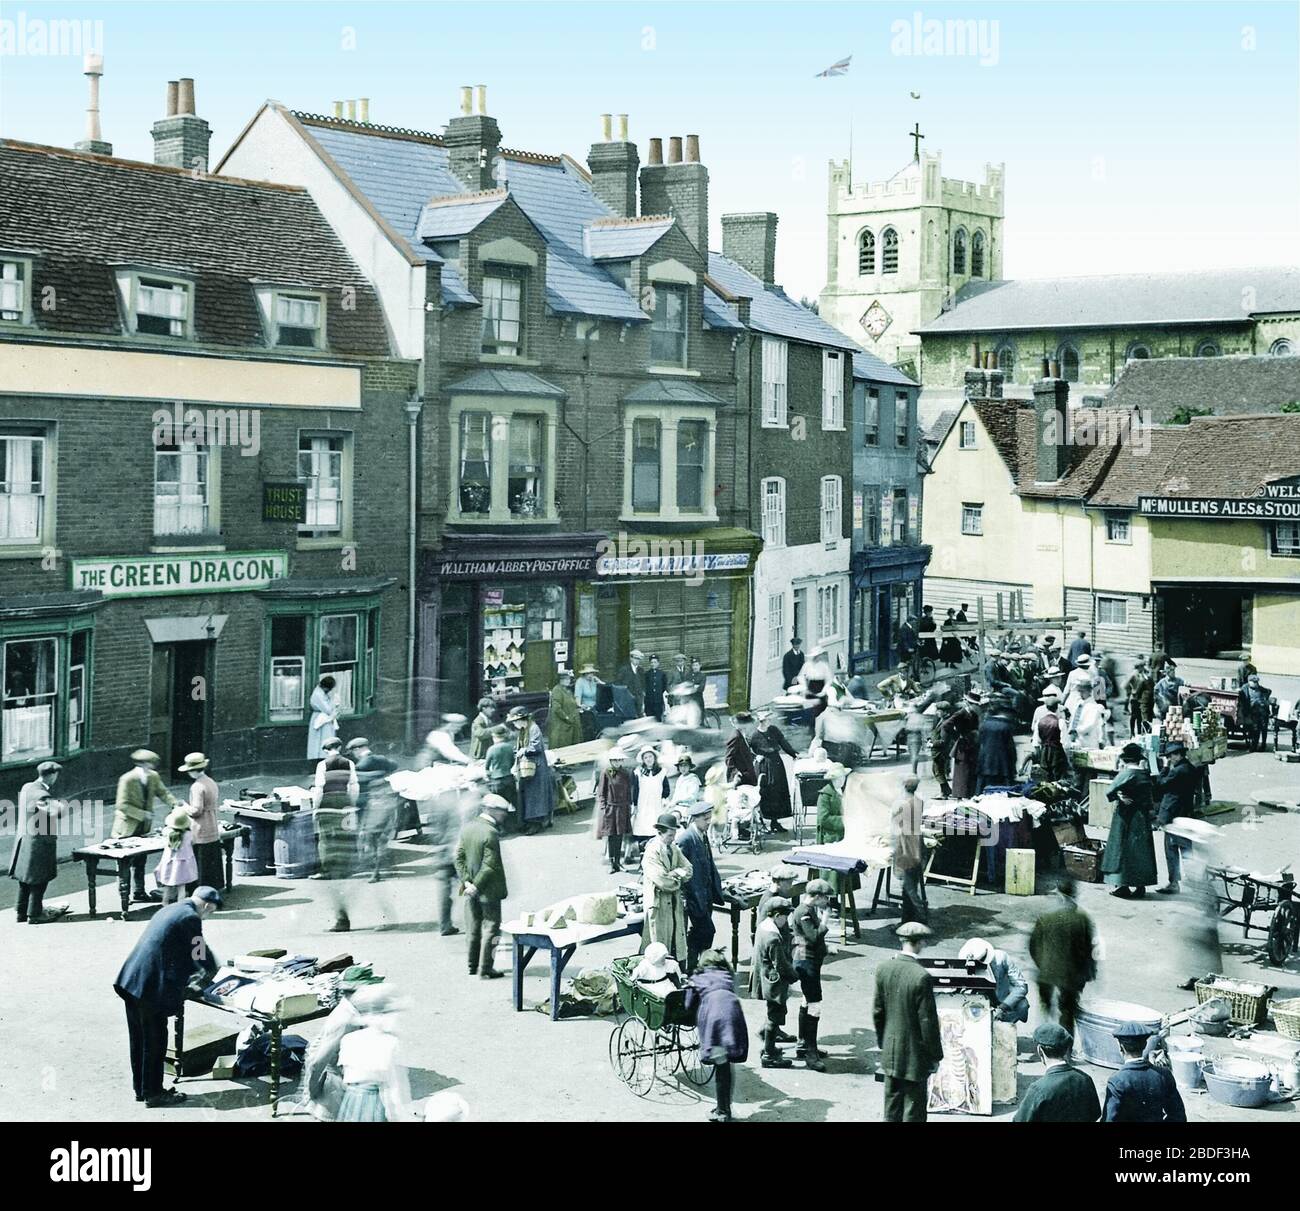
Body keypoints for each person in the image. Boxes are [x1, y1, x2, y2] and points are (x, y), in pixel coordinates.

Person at [113, 886, 222, 1107]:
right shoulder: (191, 917)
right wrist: (212, 973)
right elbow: (199, 952)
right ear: (208, 906)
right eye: (211, 912)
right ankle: (154, 1094)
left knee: (139, 1039)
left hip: (131, 980)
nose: (208, 915)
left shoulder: (172, 909)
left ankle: (142, 1089)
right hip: (150, 987)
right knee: (155, 1041)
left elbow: (174, 947)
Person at [873, 921, 944, 1122]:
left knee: (891, 1108)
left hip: (890, 1052)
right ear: (920, 942)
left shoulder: (883, 968)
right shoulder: (921, 976)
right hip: (914, 1057)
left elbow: (878, 1012)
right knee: (913, 1111)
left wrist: (884, 1043)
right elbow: (927, 1022)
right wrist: (935, 1055)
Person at [335, 986, 418, 1122]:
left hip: (352, 1100)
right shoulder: (390, 1043)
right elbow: (396, 1086)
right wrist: (402, 1115)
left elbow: (345, 1074)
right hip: (376, 1101)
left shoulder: (349, 1040)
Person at [684, 950, 748, 1122]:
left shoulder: (698, 977)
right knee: (726, 1065)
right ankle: (725, 1106)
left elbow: (688, 1005)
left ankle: (722, 1112)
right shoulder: (727, 975)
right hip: (733, 1017)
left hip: (716, 1022)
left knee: (721, 1067)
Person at [454, 793, 513, 979]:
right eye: (502, 812)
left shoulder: (468, 828)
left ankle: (472, 965)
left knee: (473, 926)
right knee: (492, 928)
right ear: (491, 810)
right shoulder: (491, 833)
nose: (504, 815)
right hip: (488, 890)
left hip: (470, 888)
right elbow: (490, 865)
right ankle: (486, 967)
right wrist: (477, 886)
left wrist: (466, 882)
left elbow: (459, 857)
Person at [112, 749, 181, 909]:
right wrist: (142, 814)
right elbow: (121, 804)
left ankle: (139, 892)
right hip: (126, 827)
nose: (152, 767)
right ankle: (125, 894)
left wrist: (176, 805)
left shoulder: (153, 777)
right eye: (149, 763)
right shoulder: (127, 779)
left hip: (143, 827)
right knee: (125, 863)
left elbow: (164, 793)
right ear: (141, 763)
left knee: (141, 860)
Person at [1028, 876, 1097, 1037]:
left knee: (1045, 1007)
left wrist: (1042, 964)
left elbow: (1033, 945)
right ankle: (1066, 1048)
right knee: (1067, 1012)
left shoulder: (1046, 918)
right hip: (1071, 975)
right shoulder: (1082, 919)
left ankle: (1045, 1040)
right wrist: (1087, 973)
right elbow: (1088, 949)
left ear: (1059, 895)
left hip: (1046, 972)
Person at [9, 760, 70, 924]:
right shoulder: (41, 795)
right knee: (39, 880)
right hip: (39, 843)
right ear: (52, 775)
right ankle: (35, 915)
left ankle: (21, 912)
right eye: (56, 775)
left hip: (24, 840)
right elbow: (57, 812)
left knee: (25, 879)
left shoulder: (27, 787)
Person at [1102, 742, 1158, 899]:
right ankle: (1141, 886)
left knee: (1123, 850)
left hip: (1126, 817)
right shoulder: (1144, 774)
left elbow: (1109, 791)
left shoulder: (1127, 773)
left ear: (1125, 760)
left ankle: (1123, 885)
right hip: (1142, 817)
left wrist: (1118, 795)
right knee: (1141, 852)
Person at [1013, 1023, 1102, 1122]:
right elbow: (1096, 1113)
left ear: (1040, 1051)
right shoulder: (1085, 1079)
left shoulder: (1038, 1089)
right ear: (1066, 1050)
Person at [1103, 1023, 1187, 1122]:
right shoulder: (1164, 1075)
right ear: (1145, 1045)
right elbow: (1178, 1116)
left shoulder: (1117, 1080)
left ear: (1121, 1047)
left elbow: (1109, 1119)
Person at [676, 801, 725, 973]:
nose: (709, 821)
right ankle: (694, 965)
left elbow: (709, 864)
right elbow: (679, 869)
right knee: (707, 930)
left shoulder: (703, 835)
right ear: (694, 819)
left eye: (709, 818)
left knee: (698, 932)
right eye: (705, 819)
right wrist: (684, 897)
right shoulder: (685, 839)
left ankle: (695, 966)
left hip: (706, 894)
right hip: (693, 896)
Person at [791, 879, 834, 1071]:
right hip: (806, 962)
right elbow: (814, 936)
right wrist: (825, 920)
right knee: (814, 1005)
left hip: (809, 960)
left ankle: (803, 1044)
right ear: (817, 896)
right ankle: (811, 1053)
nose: (827, 902)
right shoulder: (803, 913)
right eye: (826, 898)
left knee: (806, 1001)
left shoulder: (807, 910)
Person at [749, 897, 797, 1069]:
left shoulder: (764, 926)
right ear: (777, 915)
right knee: (774, 1017)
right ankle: (769, 1054)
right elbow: (781, 964)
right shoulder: (773, 937)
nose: (787, 920)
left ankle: (769, 1047)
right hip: (774, 982)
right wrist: (795, 975)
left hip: (764, 977)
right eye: (785, 916)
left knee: (772, 1014)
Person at [316, 751, 360, 932]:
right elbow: (354, 787)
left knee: (326, 840)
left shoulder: (322, 765)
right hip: (345, 803)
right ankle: (346, 863)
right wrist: (351, 804)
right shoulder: (349, 763)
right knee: (346, 836)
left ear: (326, 750)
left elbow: (319, 789)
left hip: (327, 805)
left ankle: (328, 867)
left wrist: (315, 809)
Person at [347, 737, 400, 882]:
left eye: (353, 752)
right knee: (381, 837)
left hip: (371, 804)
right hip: (387, 801)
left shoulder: (362, 764)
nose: (354, 755)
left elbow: (356, 779)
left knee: (370, 837)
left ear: (357, 749)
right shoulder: (381, 758)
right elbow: (394, 765)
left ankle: (374, 870)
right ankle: (379, 868)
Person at [641, 812, 692, 961]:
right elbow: (662, 881)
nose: (673, 838)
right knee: (659, 946)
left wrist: (673, 874)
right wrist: (677, 877)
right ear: (659, 833)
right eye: (670, 835)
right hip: (659, 904)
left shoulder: (673, 848)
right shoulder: (651, 852)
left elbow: (689, 869)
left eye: (674, 834)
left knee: (676, 941)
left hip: (674, 902)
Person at [1154, 742, 1200, 894]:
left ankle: (1174, 882)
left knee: (1171, 850)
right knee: (1187, 850)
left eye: (1171, 756)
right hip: (1186, 814)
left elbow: (1160, 784)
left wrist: (1165, 768)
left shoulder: (1177, 771)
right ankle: (1194, 883)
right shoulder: (1191, 768)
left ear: (1179, 755)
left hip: (1173, 815)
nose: (1170, 758)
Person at [815, 763, 861, 902]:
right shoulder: (825, 795)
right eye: (838, 778)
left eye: (843, 778)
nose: (841, 780)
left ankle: (838, 900)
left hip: (844, 836)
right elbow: (823, 819)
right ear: (833, 779)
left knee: (843, 871)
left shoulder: (843, 792)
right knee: (832, 873)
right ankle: (831, 901)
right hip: (830, 837)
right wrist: (845, 820)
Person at [177, 753, 222, 893]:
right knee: (211, 862)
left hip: (200, 828)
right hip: (212, 826)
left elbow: (196, 811)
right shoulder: (210, 781)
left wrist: (183, 806)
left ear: (191, 771)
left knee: (200, 864)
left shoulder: (197, 786)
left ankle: (199, 893)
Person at [958, 938, 1029, 1023]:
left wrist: (1003, 1007)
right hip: (980, 1001)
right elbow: (960, 990)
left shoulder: (1002, 958)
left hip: (1003, 998)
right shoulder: (963, 964)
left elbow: (1021, 986)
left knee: (1023, 1005)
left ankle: (1006, 1024)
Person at [510, 707, 555, 835]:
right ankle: (531, 821)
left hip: (537, 767)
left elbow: (536, 747)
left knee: (535, 795)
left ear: (521, 719)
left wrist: (523, 750)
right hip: (529, 767)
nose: (514, 724)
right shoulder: (524, 730)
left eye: (515, 721)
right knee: (529, 795)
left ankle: (536, 823)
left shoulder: (533, 728)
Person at [751, 709, 797, 833]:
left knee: (778, 792)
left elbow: (783, 743)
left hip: (776, 764)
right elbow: (748, 750)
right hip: (763, 766)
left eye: (769, 719)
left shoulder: (774, 730)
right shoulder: (754, 735)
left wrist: (794, 754)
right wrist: (756, 756)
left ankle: (775, 822)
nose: (769, 721)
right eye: (767, 719)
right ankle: (762, 822)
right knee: (766, 792)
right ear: (761, 721)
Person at [891, 775, 928, 925]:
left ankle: (922, 918)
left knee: (908, 887)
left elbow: (894, 825)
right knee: (910, 885)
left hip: (905, 845)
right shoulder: (919, 802)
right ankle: (906, 920)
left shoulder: (900, 804)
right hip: (917, 843)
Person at [594, 746, 634, 873]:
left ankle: (618, 862)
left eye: (619, 760)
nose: (617, 762)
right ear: (611, 761)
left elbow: (629, 791)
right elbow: (601, 792)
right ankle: (612, 863)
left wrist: (630, 805)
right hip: (610, 808)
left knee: (620, 836)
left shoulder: (626, 773)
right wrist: (603, 807)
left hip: (623, 808)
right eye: (615, 760)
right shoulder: (606, 773)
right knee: (611, 836)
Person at [154, 807, 197, 905]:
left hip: (169, 864)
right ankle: (180, 905)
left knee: (167, 886)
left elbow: (164, 830)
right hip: (183, 866)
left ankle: (164, 903)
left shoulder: (168, 833)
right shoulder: (189, 834)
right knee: (181, 887)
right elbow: (194, 842)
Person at [943, 692, 981, 798]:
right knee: (962, 772)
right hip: (963, 746)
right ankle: (959, 795)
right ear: (968, 703)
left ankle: (969, 794)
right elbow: (946, 725)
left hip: (972, 745)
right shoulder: (960, 714)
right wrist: (958, 736)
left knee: (970, 771)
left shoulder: (973, 714)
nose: (976, 706)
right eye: (974, 704)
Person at [630, 745, 672, 845]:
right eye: (646, 757)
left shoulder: (661, 772)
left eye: (650, 756)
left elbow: (666, 788)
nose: (648, 759)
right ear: (643, 760)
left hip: (656, 804)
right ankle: (643, 851)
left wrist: (664, 798)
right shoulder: (638, 773)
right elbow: (635, 790)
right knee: (643, 826)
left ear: (654, 758)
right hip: (642, 804)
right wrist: (634, 805)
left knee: (655, 825)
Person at [976, 696, 1018, 793]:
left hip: (985, 763)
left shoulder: (984, 724)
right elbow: (1011, 749)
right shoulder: (1006, 726)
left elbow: (979, 742)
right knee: (1002, 792)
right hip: (1003, 765)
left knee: (983, 790)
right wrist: (1013, 764)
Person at [546, 668, 583, 750]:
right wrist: (566, 717)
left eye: (569, 679)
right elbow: (556, 708)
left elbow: (571, 704)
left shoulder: (567, 691)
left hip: (571, 723)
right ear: (560, 680)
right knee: (562, 744)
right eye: (565, 679)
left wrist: (579, 707)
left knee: (571, 744)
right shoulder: (557, 690)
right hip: (562, 724)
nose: (568, 681)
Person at [1034, 693, 1069, 781]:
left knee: (1045, 778)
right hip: (1057, 753)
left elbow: (1036, 741)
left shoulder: (1039, 722)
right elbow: (1065, 742)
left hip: (1044, 753)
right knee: (1058, 779)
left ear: (1046, 708)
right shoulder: (1060, 722)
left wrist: (1039, 756)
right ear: (1057, 708)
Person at [483, 724, 517, 812]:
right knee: (513, 803)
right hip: (509, 778)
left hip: (496, 781)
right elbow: (513, 762)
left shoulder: (491, 749)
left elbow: (486, 767)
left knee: (498, 805)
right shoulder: (509, 747)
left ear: (494, 736)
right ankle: (515, 823)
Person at [308, 675, 340, 767]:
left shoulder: (322, 693)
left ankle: (327, 760)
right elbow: (328, 709)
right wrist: (334, 702)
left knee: (326, 739)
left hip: (325, 719)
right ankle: (318, 762)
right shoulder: (318, 695)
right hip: (320, 719)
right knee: (319, 741)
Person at [1240, 673, 1275, 752]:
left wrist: (1265, 699)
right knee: (1255, 729)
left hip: (1263, 711)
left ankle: (1263, 745)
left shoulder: (1261, 688)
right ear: (1249, 681)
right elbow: (1241, 694)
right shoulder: (1245, 688)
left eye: (1256, 682)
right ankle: (1254, 746)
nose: (1255, 684)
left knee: (1264, 729)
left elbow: (1269, 691)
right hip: (1253, 711)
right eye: (1253, 682)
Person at [928, 702, 956, 798]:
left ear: (944, 712)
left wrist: (932, 744)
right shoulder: (944, 720)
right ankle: (946, 790)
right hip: (939, 751)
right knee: (937, 771)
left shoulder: (945, 723)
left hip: (940, 751)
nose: (936, 713)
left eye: (938, 711)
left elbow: (944, 741)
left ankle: (944, 792)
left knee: (938, 771)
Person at [725, 711, 759, 787]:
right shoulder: (736, 737)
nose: (751, 726)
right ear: (743, 725)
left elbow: (743, 752)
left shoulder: (742, 735)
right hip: (740, 778)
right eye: (750, 723)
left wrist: (754, 756)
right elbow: (728, 758)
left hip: (747, 775)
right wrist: (736, 773)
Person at [1125, 658, 1154, 736]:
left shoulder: (1143, 675)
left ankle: (1138, 733)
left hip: (1140, 699)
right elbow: (1125, 685)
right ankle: (1132, 732)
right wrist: (1131, 691)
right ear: (1139, 667)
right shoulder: (1133, 674)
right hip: (1134, 698)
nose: (1143, 668)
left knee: (1139, 717)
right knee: (1134, 716)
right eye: (1142, 666)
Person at [1062, 652, 1095, 719]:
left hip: (1072, 699)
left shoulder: (1072, 673)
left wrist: (1062, 702)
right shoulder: (1090, 674)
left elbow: (1066, 690)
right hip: (1084, 698)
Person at [574, 664, 602, 740]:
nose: (590, 675)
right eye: (588, 673)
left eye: (592, 673)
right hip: (585, 709)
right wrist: (579, 705)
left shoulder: (594, 680)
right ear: (584, 674)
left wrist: (599, 682)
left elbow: (604, 689)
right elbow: (577, 696)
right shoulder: (580, 682)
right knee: (589, 727)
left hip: (595, 708)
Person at [615, 649, 646, 717]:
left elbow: (643, 683)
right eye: (636, 658)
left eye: (639, 659)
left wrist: (642, 694)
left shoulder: (641, 670)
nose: (637, 661)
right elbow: (618, 683)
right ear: (631, 658)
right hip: (627, 698)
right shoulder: (624, 670)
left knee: (639, 715)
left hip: (638, 698)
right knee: (629, 716)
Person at [644, 654, 668, 722]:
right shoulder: (647, 674)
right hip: (649, 701)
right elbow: (645, 686)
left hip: (658, 701)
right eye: (651, 662)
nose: (653, 664)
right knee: (649, 719)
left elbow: (664, 686)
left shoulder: (662, 674)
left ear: (658, 663)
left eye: (655, 662)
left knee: (658, 719)